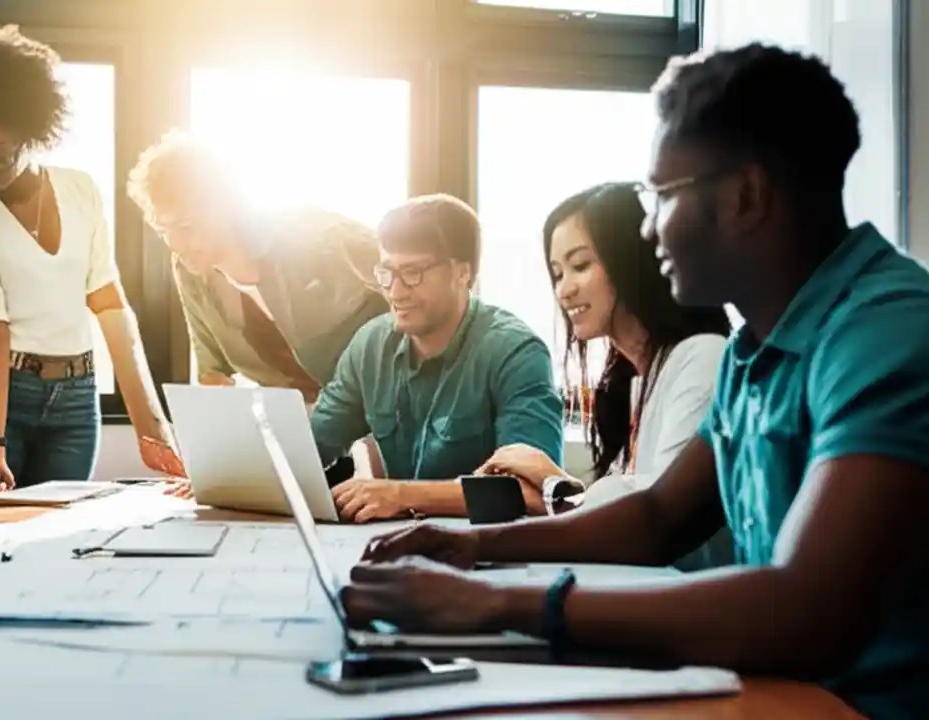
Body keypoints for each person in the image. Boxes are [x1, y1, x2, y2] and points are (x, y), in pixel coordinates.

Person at [344, 44, 929, 720]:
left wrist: (497, 602)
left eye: (660, 196)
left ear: (745, 196)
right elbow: (659, 517)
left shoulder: (886, 334)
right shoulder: (754, 349)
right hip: (782, 693)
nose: (647, 229)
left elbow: (809, 606)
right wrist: (471, 547)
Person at [0, 23, 182, 495]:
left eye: (0, 154)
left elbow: (110, 306)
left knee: (55, 552)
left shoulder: (79, 190)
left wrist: (152, 426)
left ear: (33, 134)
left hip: (75, 401)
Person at [127, 130, 389, 482]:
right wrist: (212, 474)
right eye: (164, 231)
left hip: (383, 419)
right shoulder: (192, 274)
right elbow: (213, 375)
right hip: (305, 432)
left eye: (186, 226)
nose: (175, 244)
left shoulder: (319, 239)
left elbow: (405, 307)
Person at [475, 183, 729, 523]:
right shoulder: (633, 380)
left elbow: (656, 511)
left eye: (580, 265)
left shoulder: (703, 358)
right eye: (557, 274)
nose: (564, 290)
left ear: (631, 258)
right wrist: (557, 487)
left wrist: (553, 484)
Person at [310, 194, 564, 523]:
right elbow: (312, 446)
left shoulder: (515, 352)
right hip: (401, 542)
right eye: (387, 273)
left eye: (413, 272)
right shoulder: (370, 345)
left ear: (462, 273)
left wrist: (401, 494)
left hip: (489, 552)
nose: (396, 292)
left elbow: (534, 492)